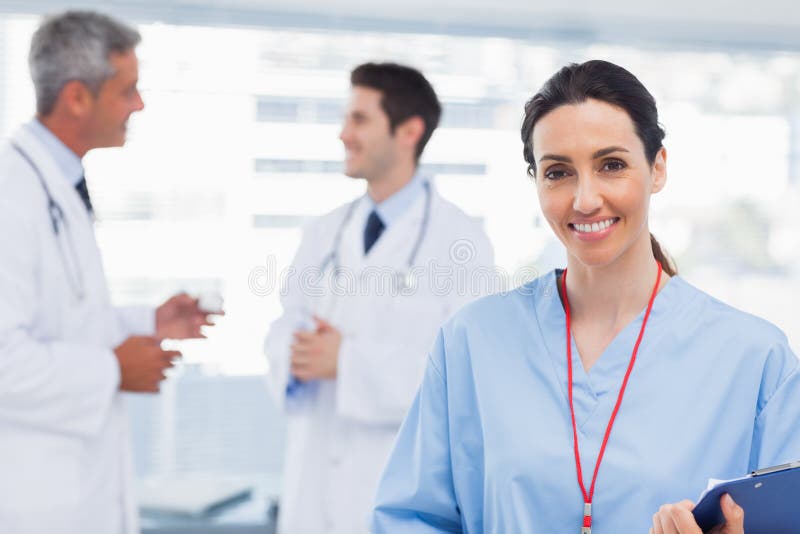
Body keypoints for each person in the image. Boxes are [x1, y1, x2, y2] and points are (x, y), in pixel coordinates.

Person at [371, 60, 800, 533]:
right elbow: (408, 520)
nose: (585, 200)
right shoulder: (472, 342)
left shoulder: (755, 360)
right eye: (558, 172)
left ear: (657, 168)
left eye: (611, 165)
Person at [0, 11, 218, 534]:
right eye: (127, 91)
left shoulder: (55, 183)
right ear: (77, 97)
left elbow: (61, 319)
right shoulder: (11, 194)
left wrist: (149, 322)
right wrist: (113, 370)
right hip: (33, 505)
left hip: (74, 494)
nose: (138, 105)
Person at [264, 62, 494, 533]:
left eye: (360, 119)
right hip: (311, 489)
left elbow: (466, 379)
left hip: (397, 493)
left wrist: (347, 362)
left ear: (409, 131)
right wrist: (294, 354)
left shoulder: (463, 243)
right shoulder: (324, 231)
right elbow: (285, 324)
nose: (343, 134)